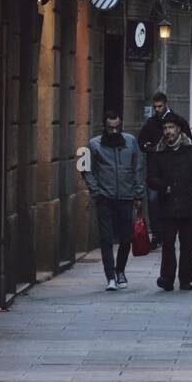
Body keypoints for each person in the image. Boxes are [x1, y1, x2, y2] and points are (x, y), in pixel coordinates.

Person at [147, 116, 192, 291]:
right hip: (167, 204)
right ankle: (167, 277)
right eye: (165, 128)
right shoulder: (158, 152)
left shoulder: (191, 149)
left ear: (179, 129)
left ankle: (185, 278)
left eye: (171, 127)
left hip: (188, 203)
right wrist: (162, 187)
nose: (168, 131)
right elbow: (151, 177)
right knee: (168, 242)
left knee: (186, 243)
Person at [83, 109, 145, 291]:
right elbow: (84, 168)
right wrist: (96, 190)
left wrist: (138, 194)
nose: (115, 131)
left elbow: (139, 168)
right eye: (111, 128)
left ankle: (120, 270)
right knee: (106, 238)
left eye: (118, 127)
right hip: (105, 198)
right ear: (105, 127)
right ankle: (110, 276)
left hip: (126, 197)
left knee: (127, 238)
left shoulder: (131, 141)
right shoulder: (93, 144)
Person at [138, 91, 191, 248]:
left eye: (160, 106)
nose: (157, 110)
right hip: (156, 169)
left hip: (175, 169)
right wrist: (148, 148)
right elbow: (141, 141)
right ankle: (157, 234)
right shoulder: (151, 123)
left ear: (166, 104)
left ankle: (173, 232)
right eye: (155, 107)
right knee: (153, 201)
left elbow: (189, 143)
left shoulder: (178, 121)